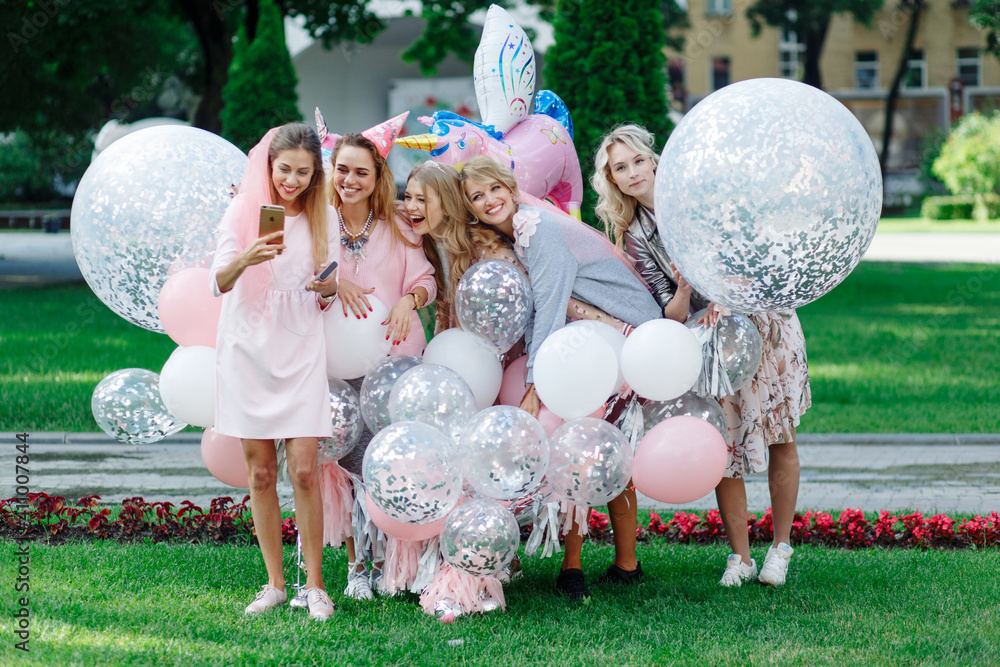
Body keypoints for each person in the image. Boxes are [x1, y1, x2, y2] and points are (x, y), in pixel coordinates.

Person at [593, 124, 811, 588]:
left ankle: (781, 547)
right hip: (711, 345)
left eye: (636, 161)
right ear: (612, 180)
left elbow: (754, 246)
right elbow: (668, 314)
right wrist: (688, 286)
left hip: (762, 324)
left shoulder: (698, 196)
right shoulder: (636, 236)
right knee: (724, 446)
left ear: (653, 160)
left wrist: (722, 289)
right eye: (620, 168)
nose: (632, 173)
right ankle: (741, 557)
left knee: (779, 434)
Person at [458, 155, 662, 601]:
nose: (489, 200)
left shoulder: (538, 229)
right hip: (592, 336)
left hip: (624, 335)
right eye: (477, 197)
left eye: (494, 189)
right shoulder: (518, 234)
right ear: (471, 209)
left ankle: (583, 565)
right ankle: (614, 563)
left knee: (588, 444)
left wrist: (535, 386)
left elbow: (548, 308)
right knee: (600, 446)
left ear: (510, 188)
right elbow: (539, 311)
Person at [209, 123, 338, 620]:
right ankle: (275, 583)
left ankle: (317, 586)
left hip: (300, 342)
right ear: (269, 166)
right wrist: (249, 256)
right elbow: (218, 281)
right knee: (261, 472)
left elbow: (330, 287)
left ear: (313, 175)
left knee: (305, 469)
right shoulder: (242, 211)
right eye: (285, 169)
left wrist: (323, 287)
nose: (292, 180)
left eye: (303, 172)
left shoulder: (322, 215)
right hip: (247, 346)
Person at [320, 115, 438, 602]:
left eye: (361, 173)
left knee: (389, 465)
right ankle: (355, 566)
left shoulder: (396, 226)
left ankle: (400, 561)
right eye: (342, 170)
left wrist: (409, 301)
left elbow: (426, 279)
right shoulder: (315, 225)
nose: (350, 180)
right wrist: (332, 284)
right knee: (346, 468)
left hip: (392, 367)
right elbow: (297, 282)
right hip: (334, 370)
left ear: (377, 178)